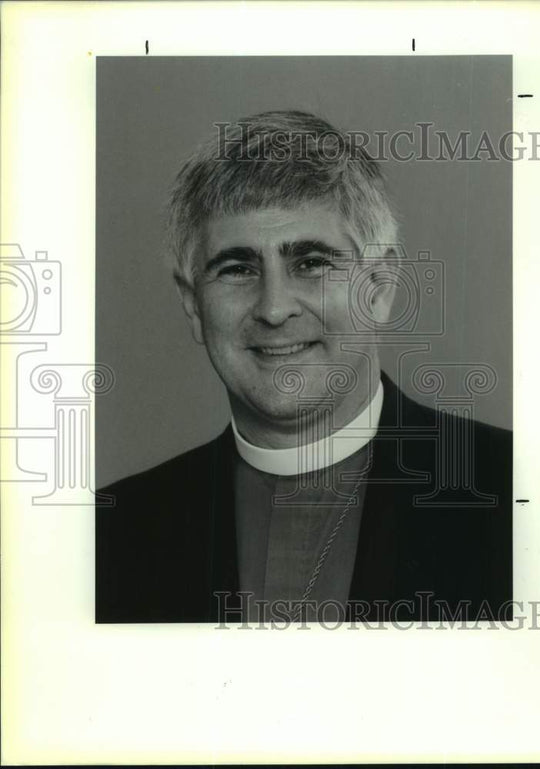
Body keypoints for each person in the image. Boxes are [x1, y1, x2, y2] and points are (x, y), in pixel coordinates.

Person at [96, 110, 512, 625]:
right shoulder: (109, 533)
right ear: (192, 306)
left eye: (311, 263)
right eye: (237, 268)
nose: (274, 308)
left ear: (380, 287)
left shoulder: (520, 494)